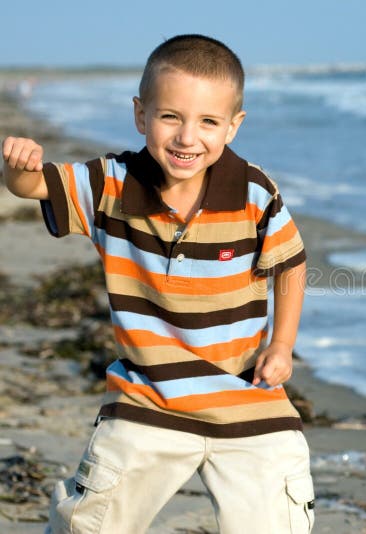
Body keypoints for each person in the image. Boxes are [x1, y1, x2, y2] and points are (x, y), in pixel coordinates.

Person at [2, 34, 314, 533]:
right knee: (90, 525)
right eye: (170, 116)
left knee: (277, 519)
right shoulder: (112, 184)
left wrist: (281, 344)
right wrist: (18, 169)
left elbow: (291, 264)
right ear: (140, 115)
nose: (187, 137)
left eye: (208, 122)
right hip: (147, 400)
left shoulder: (254, 193)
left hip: (246, 399)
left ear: (233, 126)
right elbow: (34, 186)